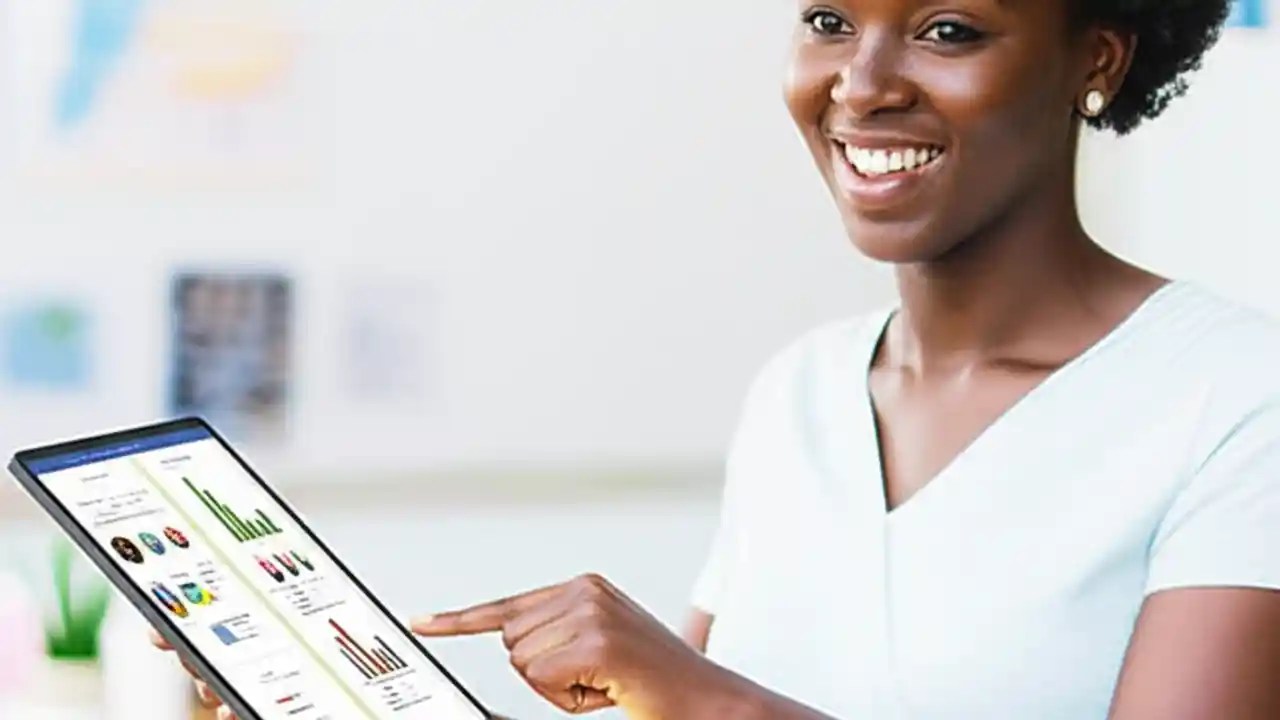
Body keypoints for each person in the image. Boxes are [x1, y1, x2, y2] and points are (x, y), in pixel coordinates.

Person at [155, 0, 1280, 717]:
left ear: (1096, 54)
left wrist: (695, 693)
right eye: (828, 20)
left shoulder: (1235, 399)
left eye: (946, 30)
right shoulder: (802, 389)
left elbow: (710, 707)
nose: (860, 84)